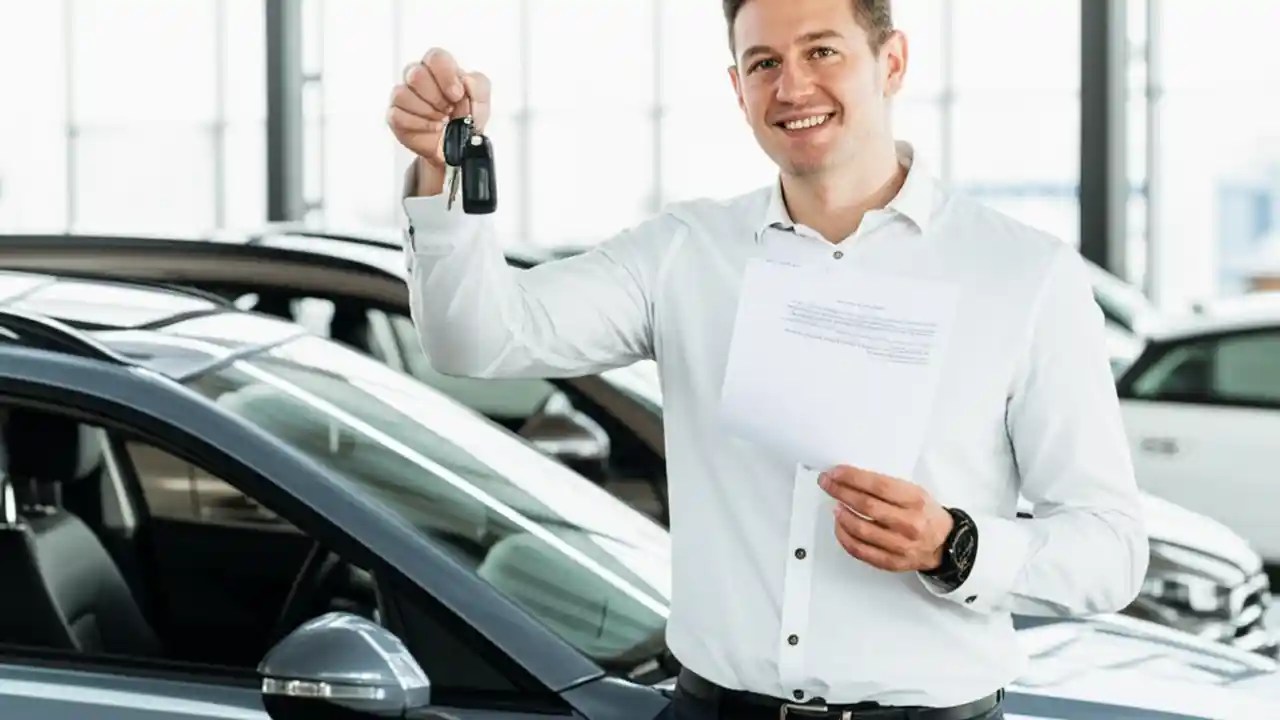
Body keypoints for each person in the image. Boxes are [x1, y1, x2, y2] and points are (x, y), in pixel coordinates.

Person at [385, 0, 1148, 717]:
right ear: (738, 88)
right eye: (764, 63)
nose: (792, 86)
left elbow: (1110, 552)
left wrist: (953, 545)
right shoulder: (685, 254)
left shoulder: (1023, 274)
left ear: (891, 62)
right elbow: (475, 337)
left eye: (822, 51)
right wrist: (440, 170)